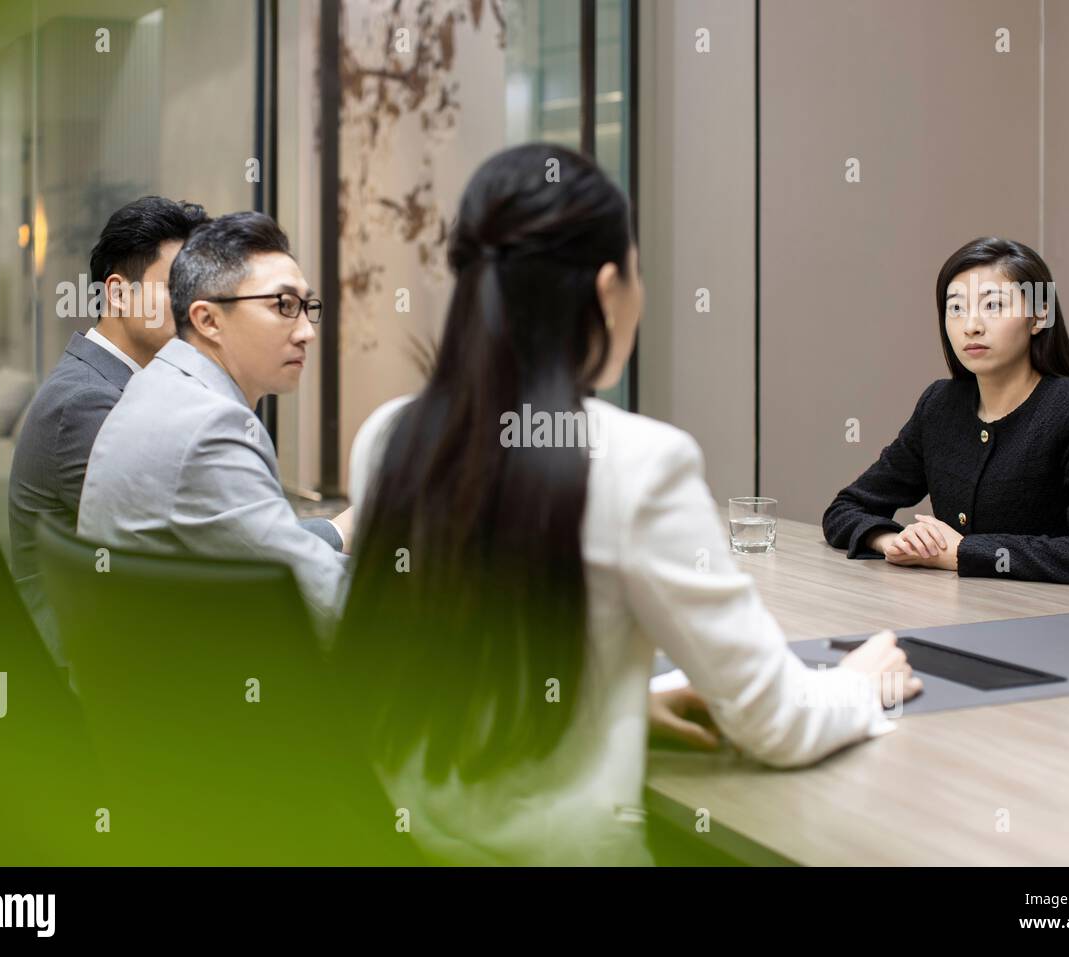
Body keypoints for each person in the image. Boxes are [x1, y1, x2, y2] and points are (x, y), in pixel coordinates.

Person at [334, 143, 917, 865]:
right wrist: (858, 687)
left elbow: (454, 654)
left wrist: (620, 708)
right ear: (609, 287)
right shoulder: (641, 462)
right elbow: (777, 722)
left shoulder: (388, 437)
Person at [77, 212, 350, 635]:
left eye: (306, 307)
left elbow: (261, 551)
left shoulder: (157, 384)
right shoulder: (210, 427)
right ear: (207, 320)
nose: (306, 333)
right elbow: (327, 600)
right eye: (283, 306)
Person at [823, 236, 1069, 585]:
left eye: (993, 306)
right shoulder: (941, 405)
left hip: (1051, 621)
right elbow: (845, 508)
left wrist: (961, 553)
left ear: (1039, 315)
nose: (970, 325)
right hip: (957, 613)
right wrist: (892, 541)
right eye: (956, 308)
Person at [9, 196, 209, 664]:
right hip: (78, 672)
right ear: (118, 294)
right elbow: (195, 546)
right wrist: (337, 530)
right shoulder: (87, 403)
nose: (194, 309)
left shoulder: (121, 385)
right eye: (177, 289)